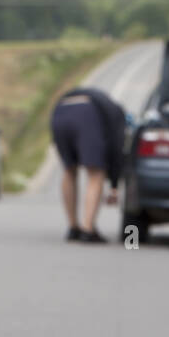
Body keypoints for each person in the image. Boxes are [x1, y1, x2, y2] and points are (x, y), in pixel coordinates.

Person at [49, 86, 127, 243]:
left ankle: (73, 227)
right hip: (86, 114)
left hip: (59, 111)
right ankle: (88, 229)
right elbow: (116, 149)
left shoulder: (104, 103)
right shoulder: (117, 115)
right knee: (96, 173)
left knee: (69, 170)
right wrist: (113, 185)